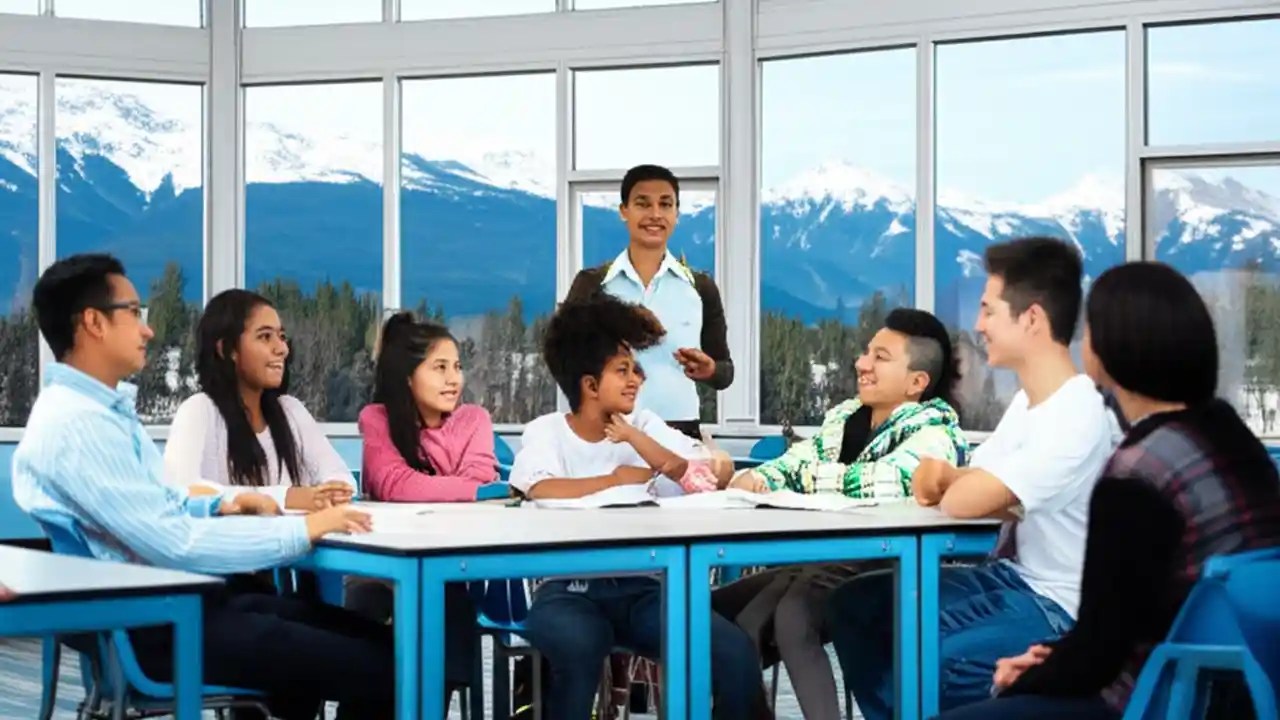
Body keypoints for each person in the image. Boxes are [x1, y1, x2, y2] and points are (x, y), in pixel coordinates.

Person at [11, 254, 392, 720]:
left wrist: (220, 504)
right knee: (390, 663)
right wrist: (304, 529)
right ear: (93, 323)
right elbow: (175, 543)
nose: (147, 329)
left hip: (177, 607)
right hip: (161, 624)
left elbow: (162, 504)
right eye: (134, 312)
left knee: (379, 642)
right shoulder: (78, 425)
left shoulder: (93, 412)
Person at [934, 262, 1280, 720]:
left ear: (1110, 348)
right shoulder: (1233, 439)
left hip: (1151, 696)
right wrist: (1053, 654)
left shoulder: (1134, 476)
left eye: (1091, 331)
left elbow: (1100, 654)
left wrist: (1025, 676)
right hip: (1240, 688)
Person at [827, 237, 1120, 720]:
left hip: (1058, 607)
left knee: (933, 654)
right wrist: (966, 484)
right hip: (1012, 578)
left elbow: (965, 497)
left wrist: (960, 482)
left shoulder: (1077, 414)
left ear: (1031, 319)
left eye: (988, 310)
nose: (977, 325)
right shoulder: (1030, 403)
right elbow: (963, 484)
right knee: (855, 605)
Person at [510, 292, 764, 719]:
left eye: (637, 370)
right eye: (623, 370)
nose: (637, 380)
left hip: (646, 591)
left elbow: (706, 469)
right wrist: (614, 480)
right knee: (579, 649)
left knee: (733, 651)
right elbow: (540, 488)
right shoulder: (549, 432)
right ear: (590, 385)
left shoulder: (643, 425)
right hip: (569, 592)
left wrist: (649, 449)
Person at [714, 308, 967, 719]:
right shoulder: (843, 420)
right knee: (721, 616)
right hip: (817, 560)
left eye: (880, 357)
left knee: (791, 618)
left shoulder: (935, 432)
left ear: (917, 382)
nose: (862, 364)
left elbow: (890, 480)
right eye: (867, 353)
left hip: (883, 566)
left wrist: (805, 478)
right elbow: (793, 462)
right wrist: (758, 478)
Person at [565, 164, 732, 439]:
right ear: (624, 211)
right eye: (643, 204)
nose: (655, 214)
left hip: (680, 431)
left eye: (665, 205)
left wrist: (709, 369)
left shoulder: (701, 287)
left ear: (676, 213)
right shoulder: (592, 284)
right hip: (609, 429)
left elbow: (725, 372)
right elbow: (564, 358)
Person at [163, 289, 355, 511]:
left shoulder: (290, 410)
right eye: (265, 336)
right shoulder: (199, 410)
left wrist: (331, 492)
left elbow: (342, 478)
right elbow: (179, 490)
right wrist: (288, 497)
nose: (281, 349)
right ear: (227, 349)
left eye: (282, 337)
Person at [358, 312, 497, 501]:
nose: (454, 379)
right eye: (440, 367)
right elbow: (393, 484)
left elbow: (480, 483)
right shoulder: (377, 418)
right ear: (408, 376)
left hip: (464, 525)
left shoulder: (474, 419)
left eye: (457, 367)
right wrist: (466, 489)